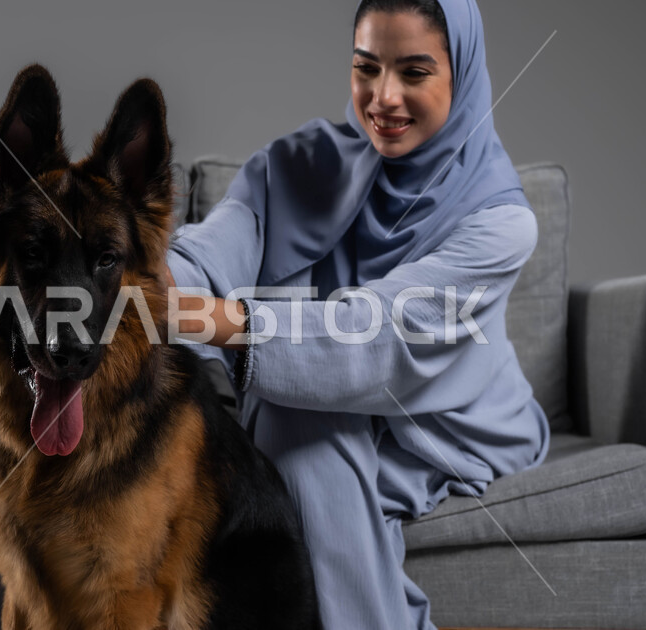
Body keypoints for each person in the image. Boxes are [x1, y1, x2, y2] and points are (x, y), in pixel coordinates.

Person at [163, 0, 550, 628]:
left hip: (444, 426)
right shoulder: (300, 165)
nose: (383, 97)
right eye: (367, 67)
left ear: (463, 73)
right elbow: (218, 246)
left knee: (297, 423)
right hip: (336, 412)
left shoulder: (500, 223)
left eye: (415, 72)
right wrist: (138, 283)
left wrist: (191, 318)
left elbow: (373, 332)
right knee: (300, 424)